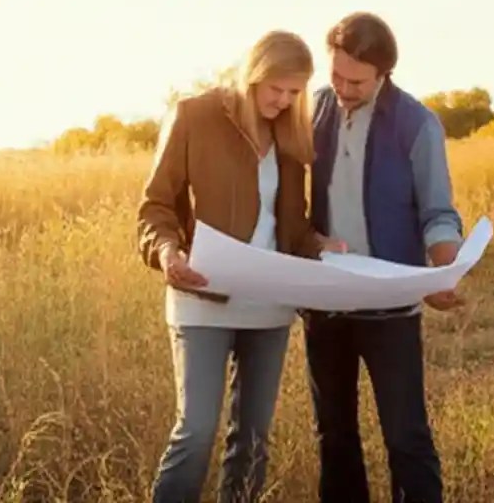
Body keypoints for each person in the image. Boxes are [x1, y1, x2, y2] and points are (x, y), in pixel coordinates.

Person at [137, 29, 345, 503]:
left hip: (269, 307)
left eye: (295, 92)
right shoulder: (194, 115)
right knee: (195, 432)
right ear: (254, 74)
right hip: (200, 297)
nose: (285, 100)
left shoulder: (292, 133)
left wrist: (321, 246)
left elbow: (292, 226)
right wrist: (168, 253)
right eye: (277, 89)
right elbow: (155, 208)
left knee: (251, 441)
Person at [303, 11, 465, 503]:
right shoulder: (314, 111)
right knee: (334, 436)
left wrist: (444, 268)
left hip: (391, 309)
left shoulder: (418, 124)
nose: (343, 89)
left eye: (356, 81)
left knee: (406, 437)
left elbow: (439, 212)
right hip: (325, 304)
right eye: (335, 76)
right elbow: (294, 206)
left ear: (383, 74)